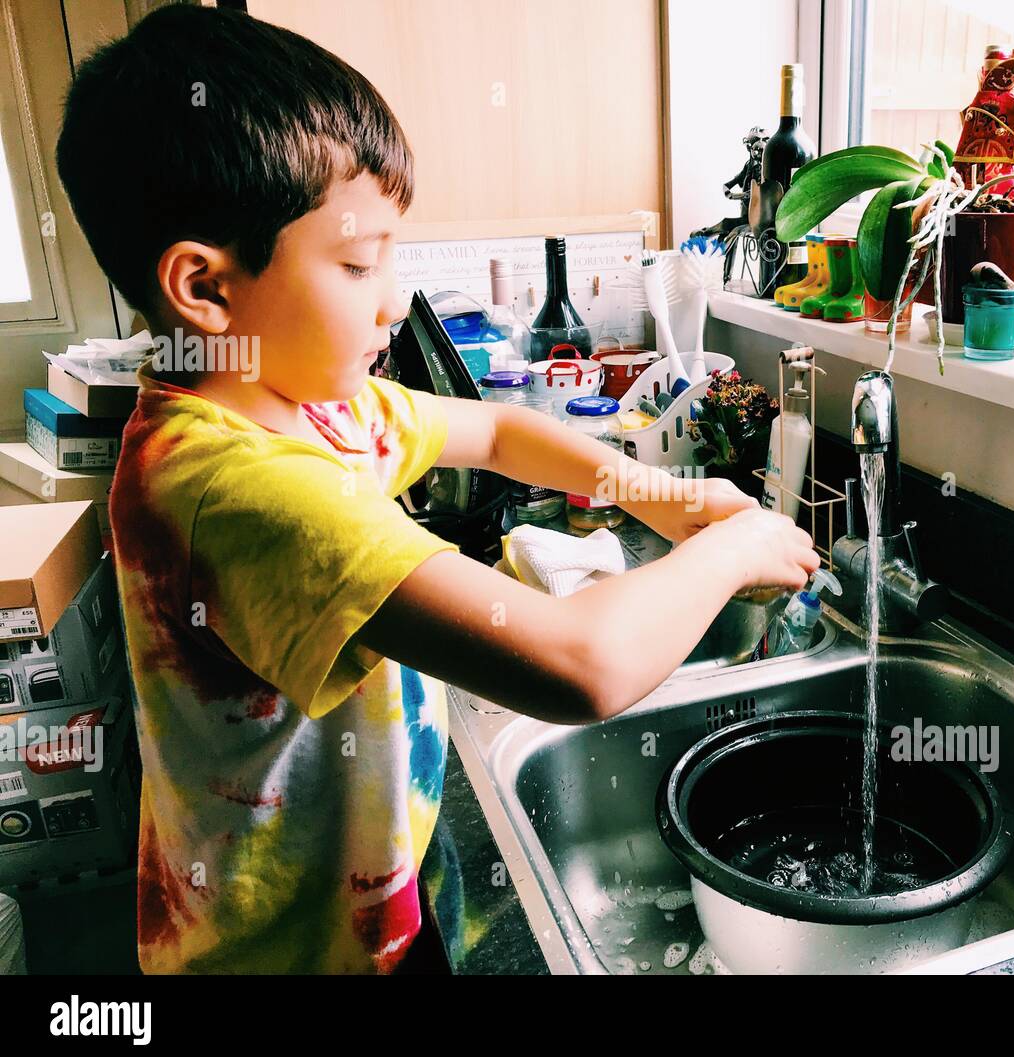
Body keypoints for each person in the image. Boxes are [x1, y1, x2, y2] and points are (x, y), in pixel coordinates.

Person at [54, 5, 818, 975]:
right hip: (291, 951)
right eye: (359, 262)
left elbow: (495, 428)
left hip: (382, 860)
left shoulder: (308, 404)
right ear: (206, 289)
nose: (396, 296)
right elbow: (579, 664)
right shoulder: (233, 489)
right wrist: (729, 550)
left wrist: (653, 494)